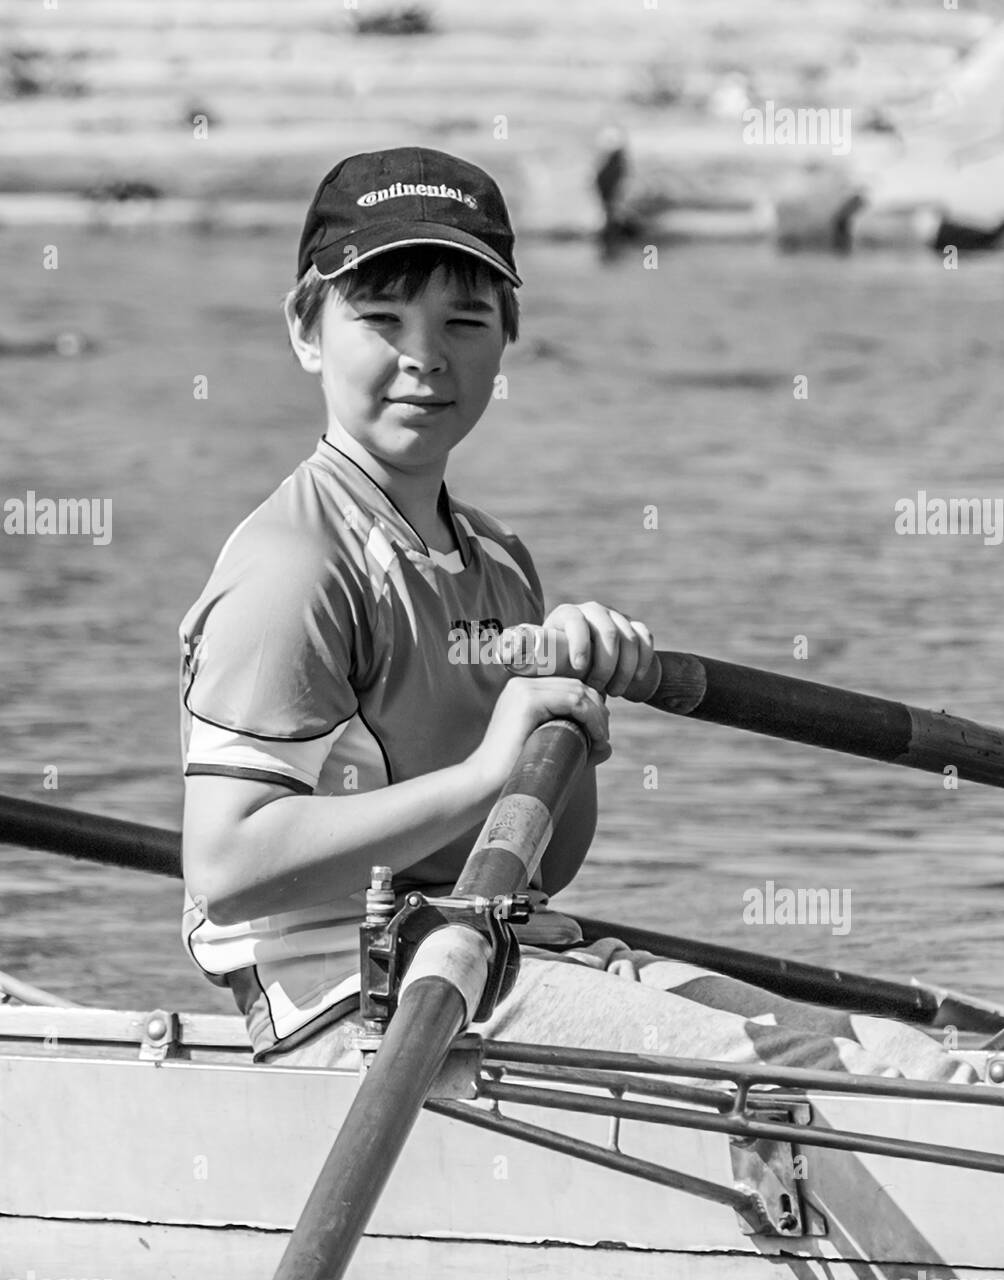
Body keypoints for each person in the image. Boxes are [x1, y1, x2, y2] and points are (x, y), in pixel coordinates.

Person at [178, 146, 980, 1084]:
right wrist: (490, 770)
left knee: (902, 1054)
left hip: (497, 948)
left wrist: (568, 707)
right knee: (812, 1072)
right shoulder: (295, 567)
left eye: (464, 320)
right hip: (358, 999)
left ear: (507, 336)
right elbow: (227, 866)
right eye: (381, 319)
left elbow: (543, 865)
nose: (424, 358)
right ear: (306, 330)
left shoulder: (499, 559)